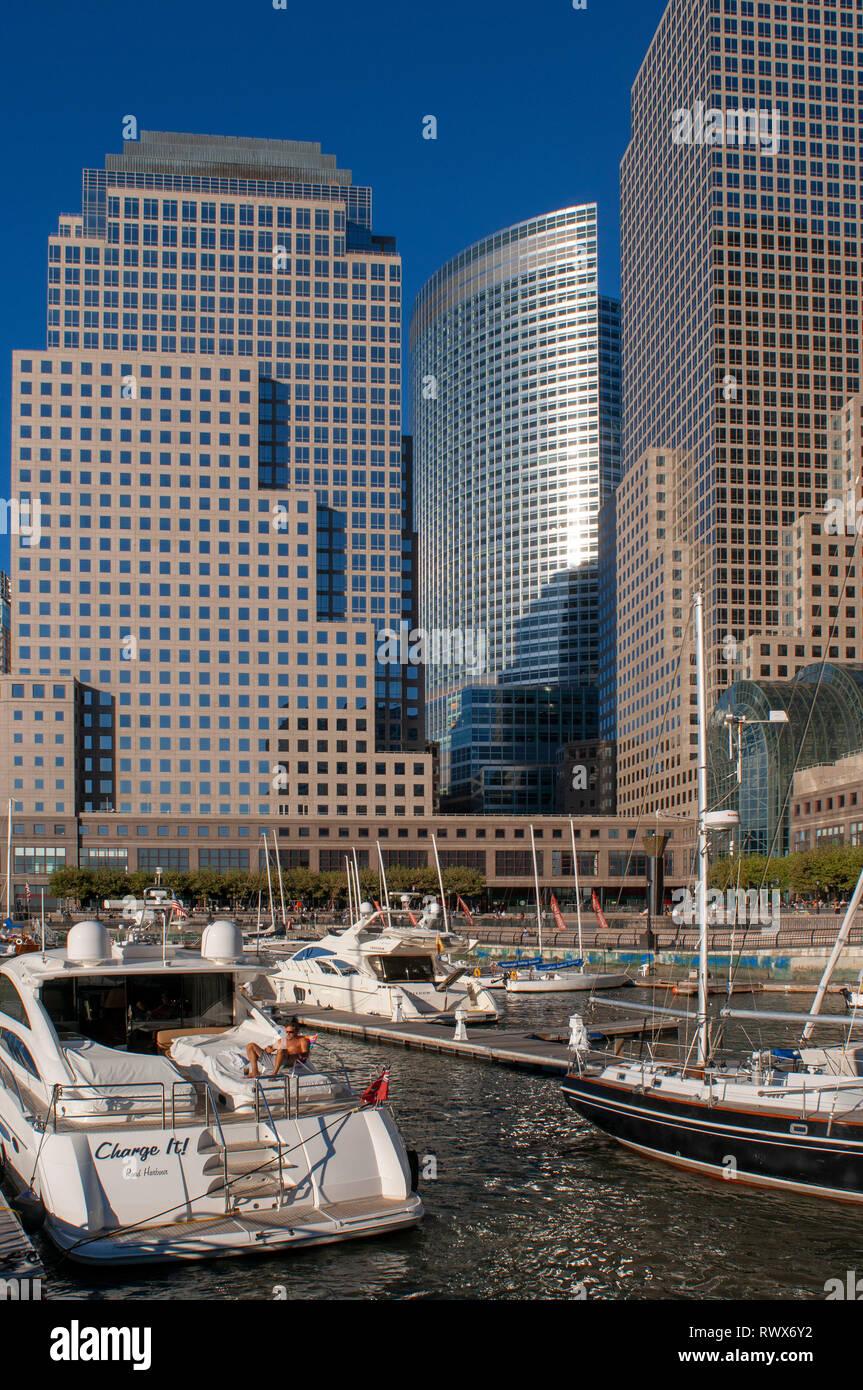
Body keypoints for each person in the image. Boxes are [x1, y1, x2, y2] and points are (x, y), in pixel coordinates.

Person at [245, 1018, 311, 1077]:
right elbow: (268, 1050)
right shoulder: (282, 1040)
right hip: (274, 1060)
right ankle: (255, 1072)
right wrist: (269, 1048)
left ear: (296, 1032)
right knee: (251, 1046)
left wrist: (294, 1056)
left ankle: (274, 1073)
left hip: (287, 1062)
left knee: (281, 1049)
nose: (288, 1034)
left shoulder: (302, 1040)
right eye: (286, 1032)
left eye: (290, 1032)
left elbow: (305, 1055)